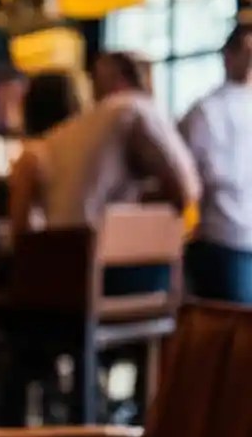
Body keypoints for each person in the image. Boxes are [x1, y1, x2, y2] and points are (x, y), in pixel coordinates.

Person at [23, 52, 200, 294]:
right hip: (110, 279)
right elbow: (188, 189)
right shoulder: (131, 106)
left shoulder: (55, 139)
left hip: (60, 279)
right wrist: (137, 203)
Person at [182, 25, 252, 303]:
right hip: (223, 237)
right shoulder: (206, 111)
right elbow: (189, 177)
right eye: (247, 52)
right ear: (228, 56)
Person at [7, 70, 92, 233]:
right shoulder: (88, 150)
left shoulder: (33, 154)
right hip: (101, 242)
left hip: (55, 248)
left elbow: (20, 225)